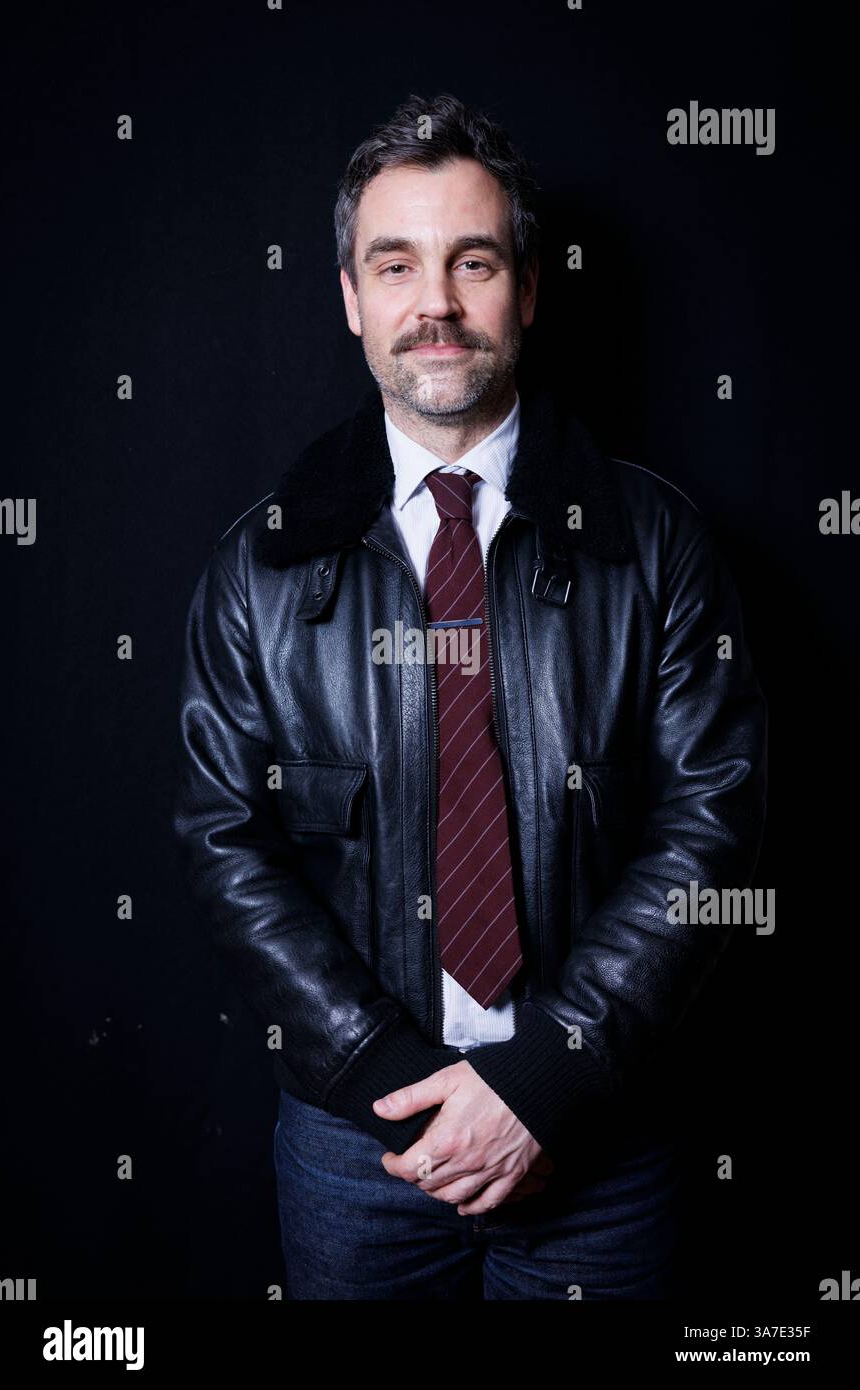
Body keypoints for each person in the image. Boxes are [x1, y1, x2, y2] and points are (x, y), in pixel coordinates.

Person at [173, 92, 768, 1299]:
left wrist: (545, 1078)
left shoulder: (655, 542)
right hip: (357, 1149)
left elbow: (718, 818)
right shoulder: (261, 565)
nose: (435, 302)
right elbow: (226, 840)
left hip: (601, 1147)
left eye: (474, 261)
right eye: (397, 265)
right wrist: (391, 1080)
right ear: (350, 297)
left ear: (530, 289)